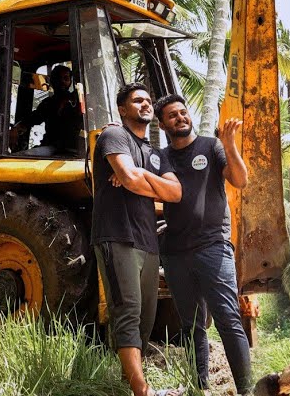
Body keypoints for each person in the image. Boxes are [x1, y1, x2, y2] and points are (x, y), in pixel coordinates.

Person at [152, 93, 253, 395]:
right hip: (174, 253)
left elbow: (240, 180)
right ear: (162, 123)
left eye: (183, 112)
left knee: (227, 319)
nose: (180, 118)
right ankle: (200, 388)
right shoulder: (162, 157)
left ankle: (246, 391)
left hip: (213, 246)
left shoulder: (211, 146)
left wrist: (230, 144)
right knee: (192, 325)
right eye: (172, 115)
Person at [92, 83, 184, 396]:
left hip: (148, 241)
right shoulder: (114, 136)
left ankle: (127, 385)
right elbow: (130, 179)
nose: (145, 104)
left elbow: (175, 193)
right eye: (136, 100)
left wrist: (140, 177)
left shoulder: (156, 154)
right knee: (127, 310)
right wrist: (138, 179)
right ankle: (142, 391)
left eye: (148, 100)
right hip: (117, 235)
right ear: (122, 108)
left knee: (146, 317)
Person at [10, 64, 81, 152]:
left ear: (70, 81)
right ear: (52, 81)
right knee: (25, 157)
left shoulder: (78, 101)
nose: (62, 81)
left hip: (76, 150)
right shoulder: (49, 103)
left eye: (66, 78)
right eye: (58, 78)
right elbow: (33, 118)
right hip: (53, 147)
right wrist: (16, 129)